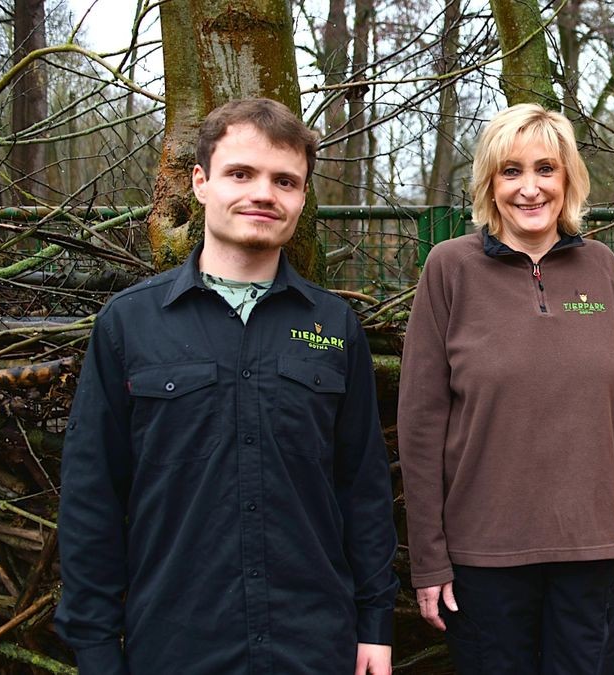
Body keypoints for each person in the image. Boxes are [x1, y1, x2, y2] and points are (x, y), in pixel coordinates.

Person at [55, 98, 398, 675]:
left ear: (302, 198)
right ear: (200, 183)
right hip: (175, 643)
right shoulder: (129, 324)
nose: (264, 193)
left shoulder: (335, 328)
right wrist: (93, 646)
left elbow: (362, 489)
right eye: (241, 173)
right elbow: (92, 497)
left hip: (314, 645)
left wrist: (375, 626)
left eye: (285, 181)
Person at [397, 103, 614, 674]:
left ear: (568, 177)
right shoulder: (449, 270)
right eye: (511, 171)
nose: (530, 188)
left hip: (589, 551)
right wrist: (429, 561)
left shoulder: (602, 270)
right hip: (482, 558)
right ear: (489, 184)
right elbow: (420, 427)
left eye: (545, 169)